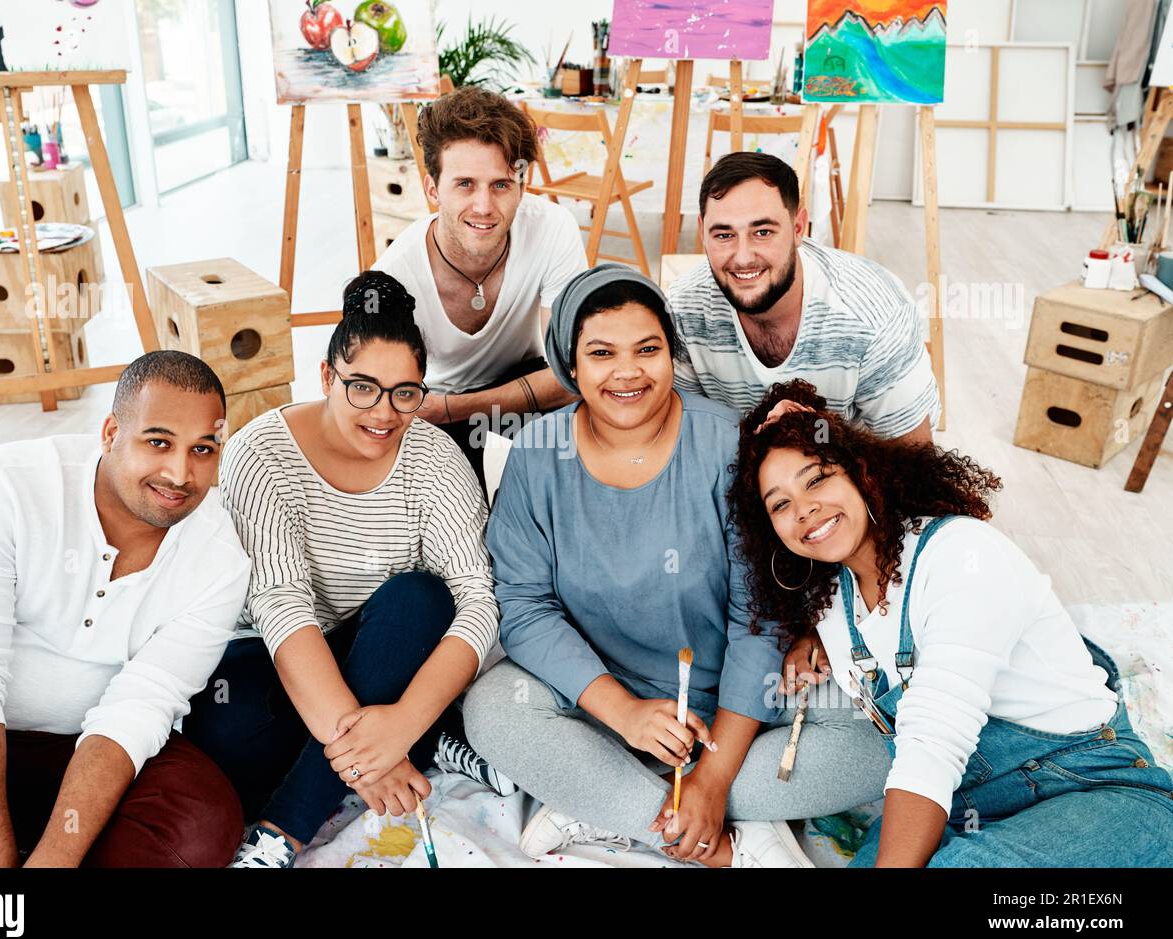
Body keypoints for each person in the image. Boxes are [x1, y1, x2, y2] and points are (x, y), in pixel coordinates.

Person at [462, 265, 893, 868]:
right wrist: (622, 711)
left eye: (648, 349)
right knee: (491, 708)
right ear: (571, 364)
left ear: (672, 352)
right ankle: (717, 838)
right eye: (602, 353)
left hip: (738, 710)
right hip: (602, 703)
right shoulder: (539, 455)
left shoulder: (723, 443)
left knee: (872, 742)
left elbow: (760, 614)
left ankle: (618, 803)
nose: (628, 371)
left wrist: (715, 780)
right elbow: (525, 605)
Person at [729, 378, 1173, 867]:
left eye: (817, 479)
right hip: (967, 807)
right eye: (780, 504)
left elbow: (930, 747)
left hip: (1092, 787)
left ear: (864, 476)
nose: (805, 509)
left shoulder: (962, 555)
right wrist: (807, 634)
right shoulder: (833, 601)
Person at [0, 351, 251, 868]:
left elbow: (138, 708)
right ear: (111, 431)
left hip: (88, 757)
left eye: (203, 449)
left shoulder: (220, 559)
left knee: (204, 821)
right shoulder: (2, 485)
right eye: (158, 442)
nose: (179, 474)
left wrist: (54, 859)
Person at [185, 271, 503, 868]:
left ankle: (284, 829)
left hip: (394, 651)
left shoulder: (435, 458)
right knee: (216, 723)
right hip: (289, 659)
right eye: (363, 387)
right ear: (327, 376)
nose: (384, 413)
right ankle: (421, 745)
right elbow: (280, 603)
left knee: (421, 599)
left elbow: (478, 600)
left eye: (405, 393)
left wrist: (402, 718)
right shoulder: (261, 452)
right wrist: (372, 754)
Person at [373, 85, 588, 486]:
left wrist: (454, 409)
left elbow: (574, 375)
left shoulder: (553, 227)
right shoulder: (393, 276)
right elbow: (378, 405)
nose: (485, 207)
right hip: (433, 397)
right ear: (433, 189)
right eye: (465, 184)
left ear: (523, 186)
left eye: (501, 185)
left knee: (575, 473)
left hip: (510, 389)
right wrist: (441, 411)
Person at [668, 151, 940, 443]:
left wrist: (815, 443)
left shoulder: (873, 314)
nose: (743, 257)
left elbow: (913, 465)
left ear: (798, 228)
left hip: (855, 474)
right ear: (702, 233)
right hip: (735, 468)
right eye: (724, 235)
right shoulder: (682, 309)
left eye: (762, 231)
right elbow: (687, 440)